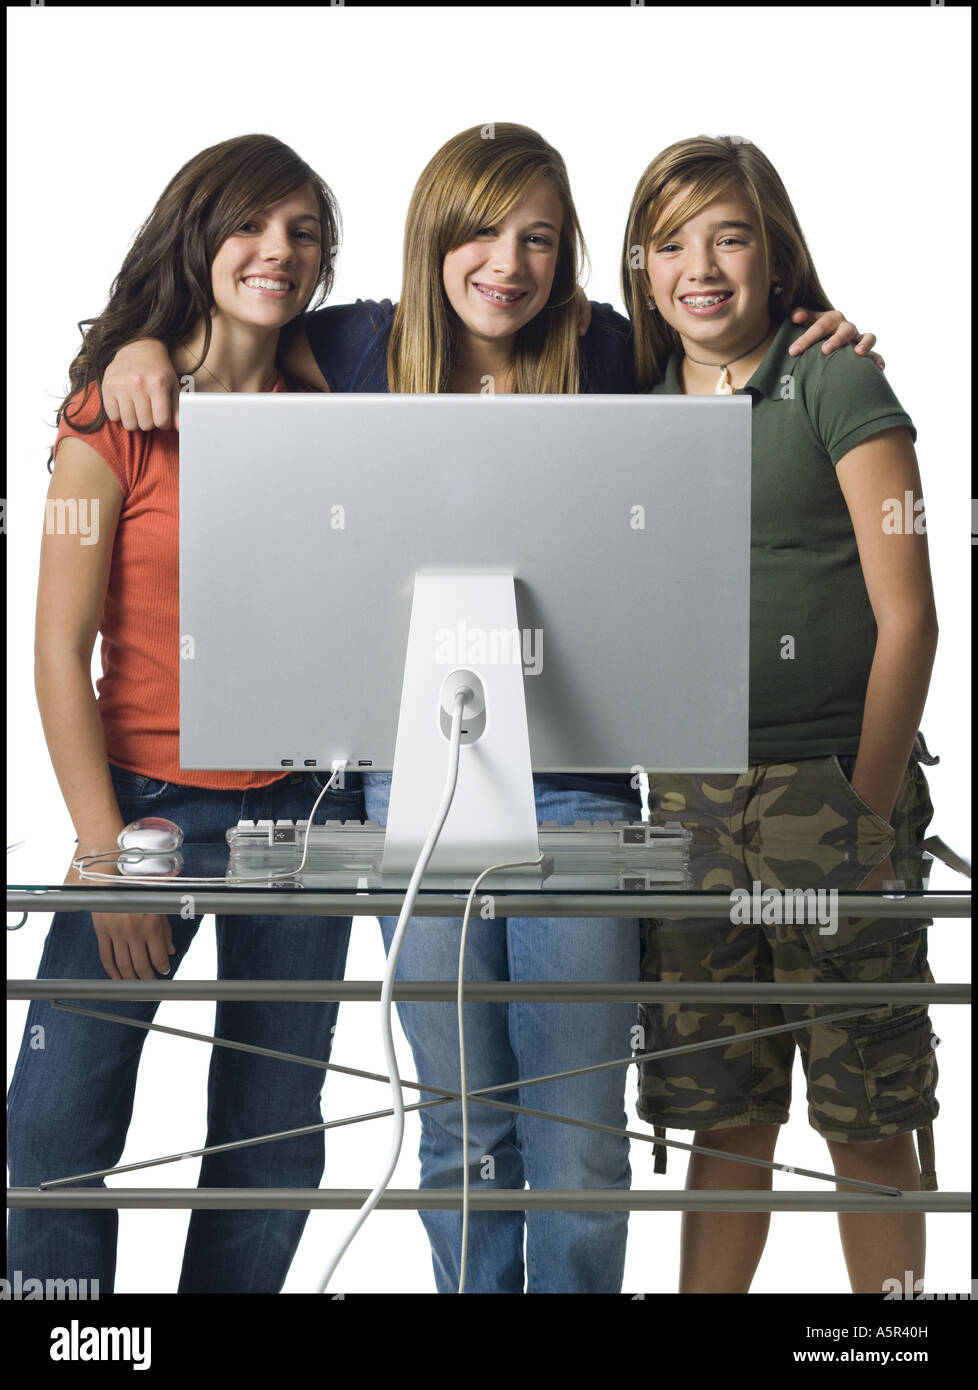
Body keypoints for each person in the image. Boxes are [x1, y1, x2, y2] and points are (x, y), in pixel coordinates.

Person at [99, 123, 878, 1294]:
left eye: (540, 240)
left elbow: (727, 337)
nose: (506, 264)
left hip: (579, 792)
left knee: (578, 1141)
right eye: (480, 233)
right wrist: (143, 345)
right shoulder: (358, 343)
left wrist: (824, 324)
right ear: (433, 239)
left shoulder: (609, 350)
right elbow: (240, 326)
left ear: (567, 260)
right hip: (408, 786)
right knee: (463, 1127)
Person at [6, 134, 367, 1295]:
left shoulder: (342, 393)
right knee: (54, 1138)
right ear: (198, 233)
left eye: (304, 232)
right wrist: (108, 854)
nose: (279, 252)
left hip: (307, 817)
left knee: (268, 1136)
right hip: (147, 815)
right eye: (252, 226)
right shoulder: (107, 419)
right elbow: (58, 653)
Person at [620, 133, 940, 1293]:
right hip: (691, 805)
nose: (700, 265)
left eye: (730, 235)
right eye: (671, 243)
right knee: (724, 1115)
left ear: (775, 252)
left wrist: (864, 800)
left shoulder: (838, 381)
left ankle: (890, 1331)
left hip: (830, 788)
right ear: (642, 268)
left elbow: (911, 616)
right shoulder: (638, 405)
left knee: (867, 1109)